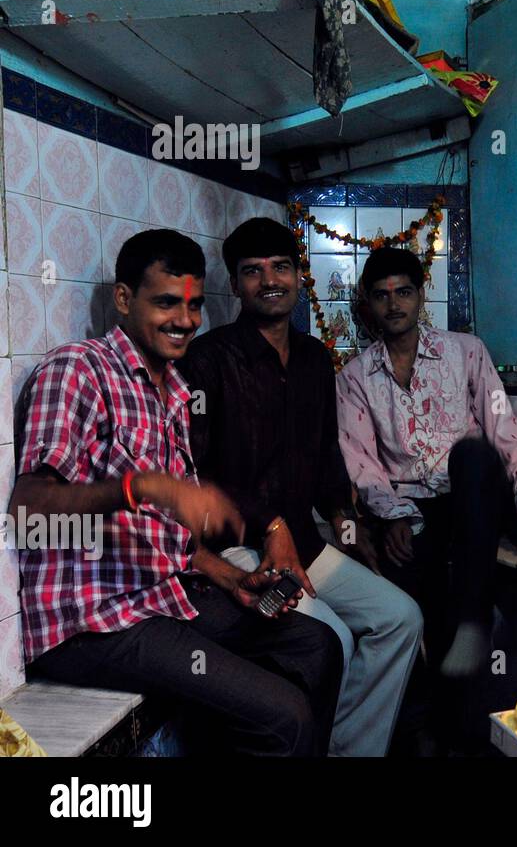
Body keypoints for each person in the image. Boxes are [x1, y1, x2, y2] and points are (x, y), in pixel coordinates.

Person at [14, 230, 342, 756]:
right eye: (166, 302)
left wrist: (232, 577)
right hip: (93, 619)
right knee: (285, 717)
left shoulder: (174, 391)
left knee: (317, 646)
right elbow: (28, 509)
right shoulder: (77, 370)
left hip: (162, 597)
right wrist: (143, 486)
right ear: (124, 299)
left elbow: (170, 538)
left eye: (193, 305)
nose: (185, 321)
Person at [179, 219, 422, 758]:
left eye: (280, 268)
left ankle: (350, 751)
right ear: (234, 283)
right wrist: (272, 526)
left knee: (399, 617)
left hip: (304, 547)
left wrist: (346, 520)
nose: (269, 280)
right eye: (252, 272)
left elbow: (325, 459)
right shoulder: (208, 360)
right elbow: (198, 473)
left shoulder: (315, 359)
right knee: (330, 637)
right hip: (239, 549)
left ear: (297, 274)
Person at [336, 247, 517, 683]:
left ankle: (475, 620)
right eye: (382, 295)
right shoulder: (354, 377)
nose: (394, 304)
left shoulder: (465, 351)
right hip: (415, 508)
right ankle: (448, 718)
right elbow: (362, 459)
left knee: (470, 455)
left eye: (404, 292)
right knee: (419, 603)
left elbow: (502, 426)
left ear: (421, 295)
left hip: (479, 495)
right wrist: (391, 514)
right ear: (367, 302)